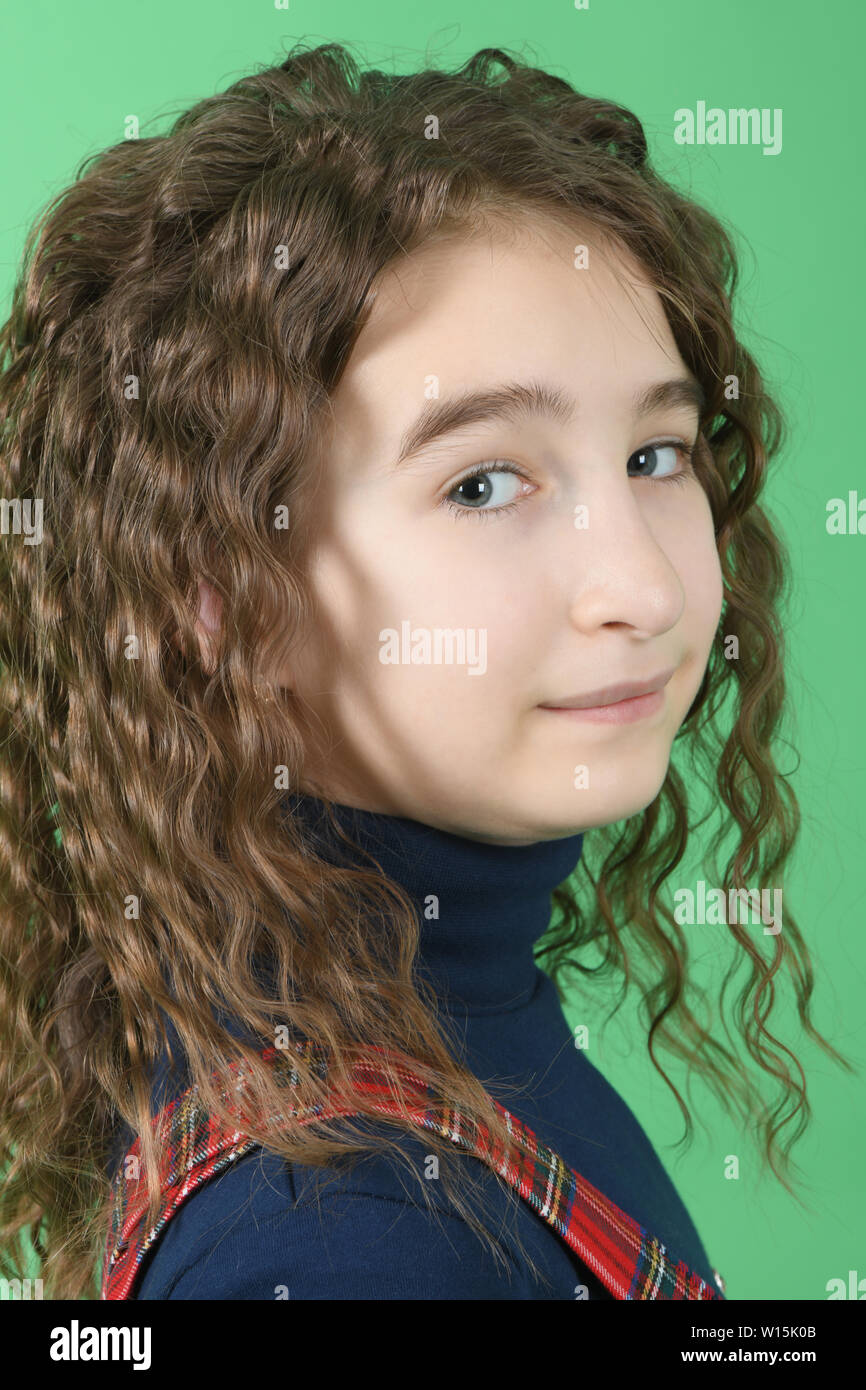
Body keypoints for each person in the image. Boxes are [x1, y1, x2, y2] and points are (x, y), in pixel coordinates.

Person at [0, 40, 851, 1301]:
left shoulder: (450, 1022)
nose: (648, 588)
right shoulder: (343, 1237)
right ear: (224, 596)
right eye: (482, 482)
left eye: (656, 454)